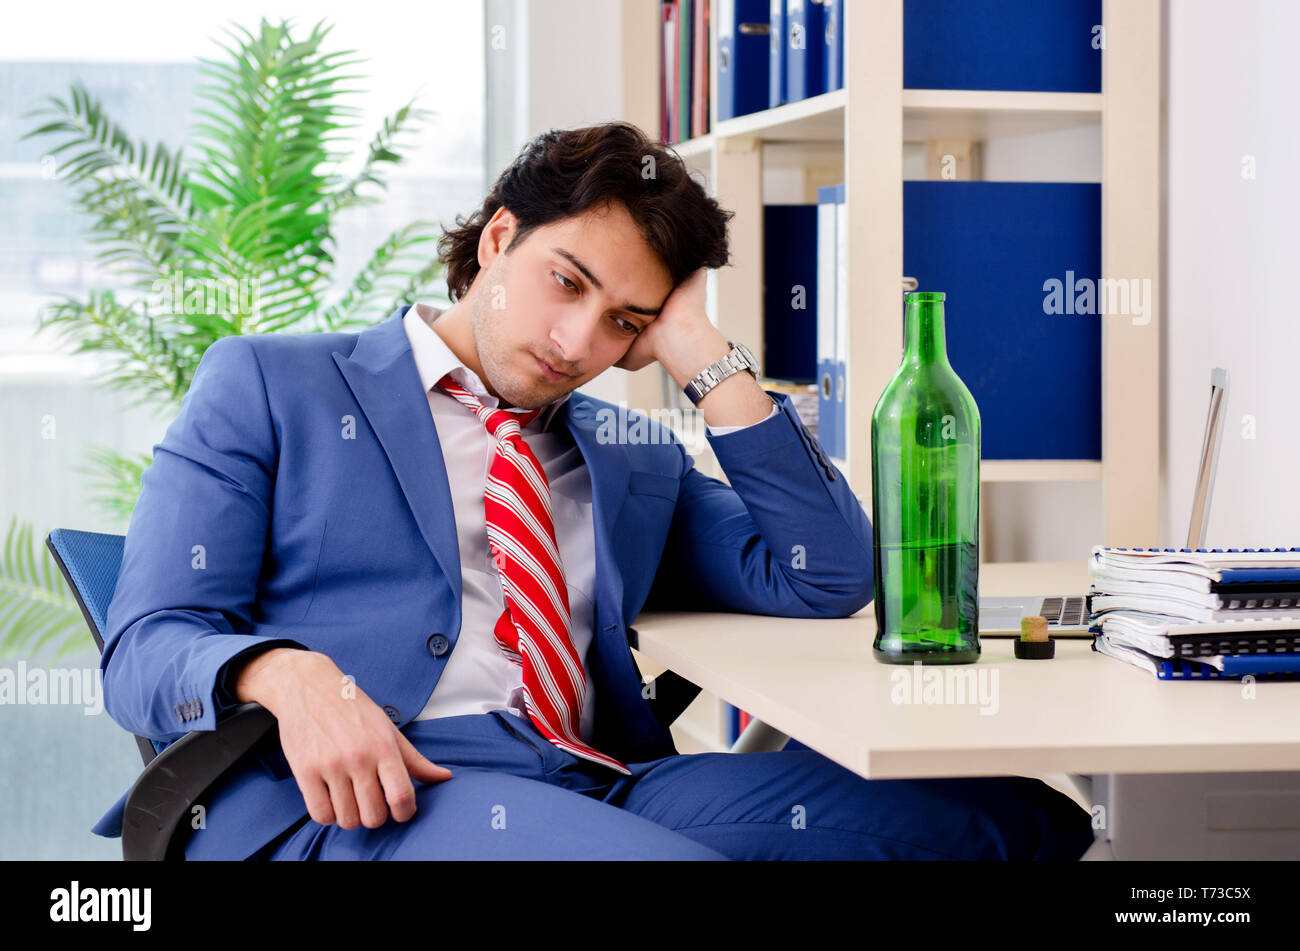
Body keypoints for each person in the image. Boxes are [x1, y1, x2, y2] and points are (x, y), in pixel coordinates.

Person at [95, 121, 1095, 860]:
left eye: (625, 322)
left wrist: (706, 358)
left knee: (1015, 820)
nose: (579, 345)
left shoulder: (624, 451)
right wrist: (285, 673)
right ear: (496, 242)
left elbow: (824, 577)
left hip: (594, 778)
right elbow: (143, 649)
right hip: (367, 799)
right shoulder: (276, 385)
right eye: (566, 282)